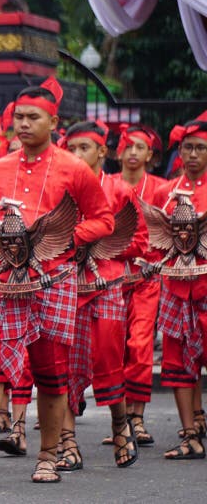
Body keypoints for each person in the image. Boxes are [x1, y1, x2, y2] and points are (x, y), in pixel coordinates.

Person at [0, 78, 114, 484]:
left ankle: (49, 455)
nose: (23, 123)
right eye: (18, 116)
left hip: (52, 278)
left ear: (53, 121)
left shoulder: (74, 169)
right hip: (1, 279)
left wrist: (61, 239)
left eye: (32, 117)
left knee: (50, 368)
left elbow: (104, 220)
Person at [62, 120, 147, 470]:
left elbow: (140, 241)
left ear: (102, 152)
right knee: (64, 362)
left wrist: (101, 246)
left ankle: (119, 422)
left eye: (85, 147)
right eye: (72, 148)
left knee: (109, 357)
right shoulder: (58, 192)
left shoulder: (119, 190)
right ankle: (66, 441)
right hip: (65, 285)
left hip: (105, 286)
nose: (78, 155)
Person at [152, 114, 207, 461]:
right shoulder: (164, 191)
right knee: (177, 361)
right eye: (188, 147)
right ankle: (189, 434)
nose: (193, 155)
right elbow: (151, 240)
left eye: (201, 148)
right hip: (174, 288)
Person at [109, 125, 167, 446]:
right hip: (114, 278)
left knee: (141, 345)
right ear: (118, 152)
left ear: (150, 155)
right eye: (127, 146)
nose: (132, 152)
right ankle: (119, 422)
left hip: (146, 278)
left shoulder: (159, 188)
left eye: (139, 147)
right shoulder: (105, 185)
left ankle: (137, 417)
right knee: (114, 349)